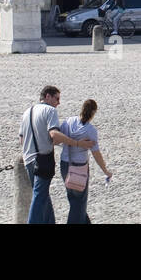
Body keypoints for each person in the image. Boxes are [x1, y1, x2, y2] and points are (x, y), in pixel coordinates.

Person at [19, 85, 94, 224]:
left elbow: (22, 140)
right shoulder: (50, 110)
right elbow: (54, 134)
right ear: (48, 96)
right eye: (57, 98)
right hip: (42, 160)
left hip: (27, 159)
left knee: (43, 196)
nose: (58, 103)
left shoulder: (26, 112)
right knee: (39, 196)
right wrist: (76, 143)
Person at [60, 99, 111, 224]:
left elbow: (60, 140)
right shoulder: (90, 130)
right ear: (94, 113)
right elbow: (96, 153)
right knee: (78, 203)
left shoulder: (68, 122)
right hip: (79, 168)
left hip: (65, 164)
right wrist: (105, 171)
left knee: (73, 199)